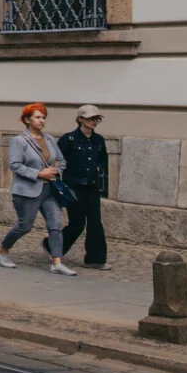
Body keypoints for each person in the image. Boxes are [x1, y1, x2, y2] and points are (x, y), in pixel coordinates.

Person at [0, 102, 76, 274]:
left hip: (50, 191)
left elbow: (61, 160)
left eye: (44, 117)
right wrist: (39, 173)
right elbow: (15, 165)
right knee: (24, 226)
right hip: (27, 191)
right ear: (27, 120)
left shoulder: (50, 140)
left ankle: (57, 262)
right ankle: (1, 250)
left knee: (56, 225)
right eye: (38, 117)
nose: (42, 121)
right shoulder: (19, 141)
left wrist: (55, 170)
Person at [54, 103, 109, 269]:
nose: (94, 121)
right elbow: (57, 161)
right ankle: (52, 246)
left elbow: (103, 164)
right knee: (77, 224)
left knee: (95, 222)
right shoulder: (69, 139)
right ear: (80, 119)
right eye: (90, 118)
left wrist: (102, 187)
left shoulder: (98, 140)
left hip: (91, 187)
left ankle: (95, 259)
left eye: (96, 118)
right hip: (74, 186)